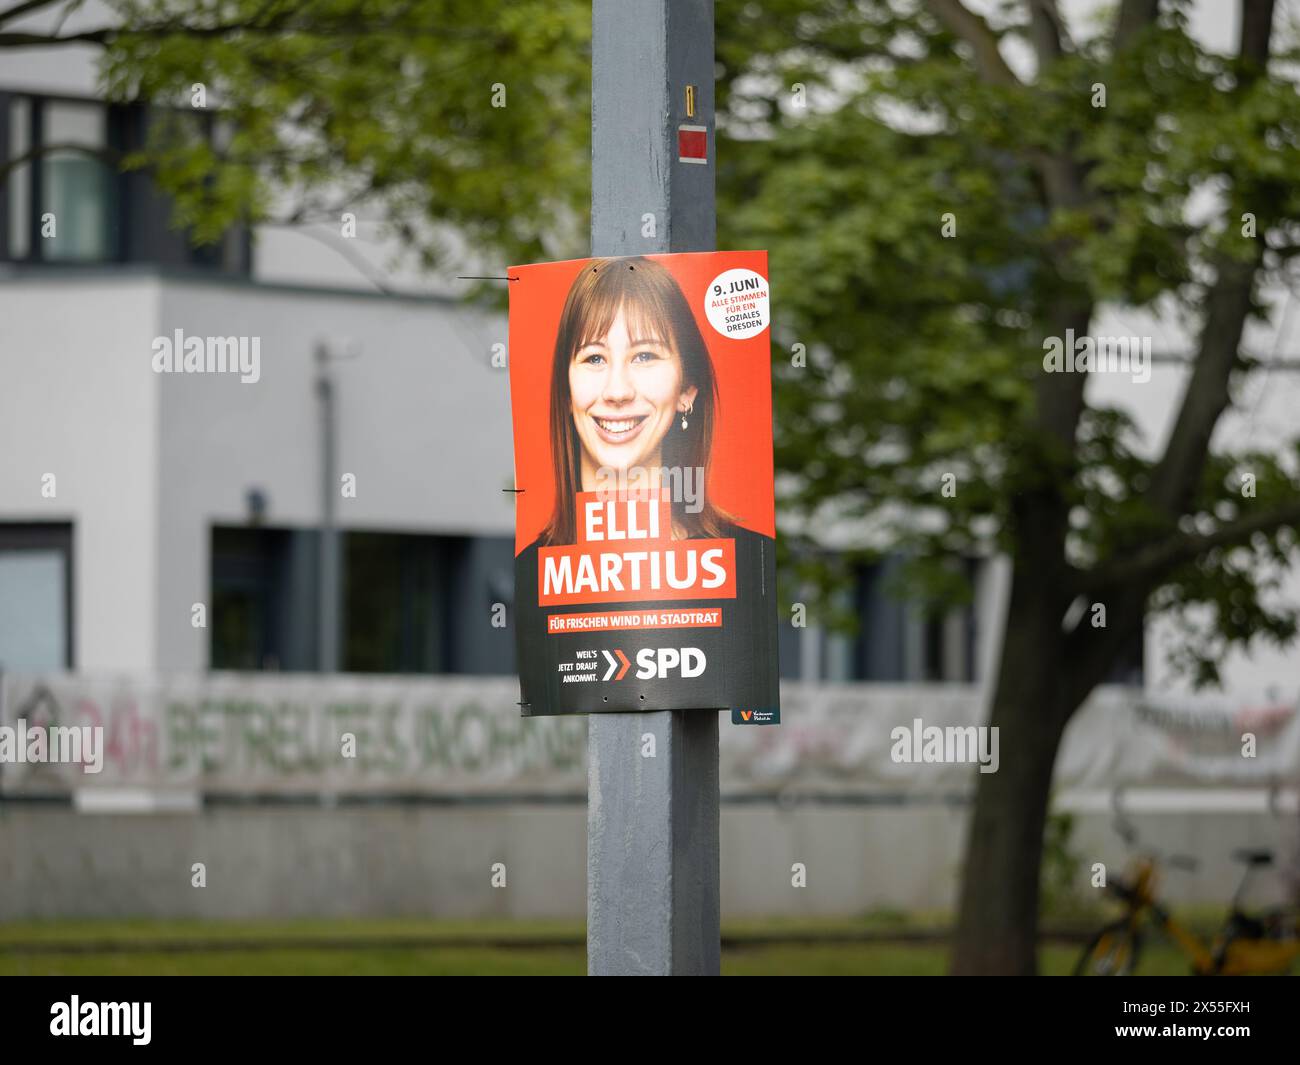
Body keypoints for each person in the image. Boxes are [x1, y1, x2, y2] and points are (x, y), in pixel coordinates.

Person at [513, 256, 778, 716]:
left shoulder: (744, 559)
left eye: (645, 355)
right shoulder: (535, 571)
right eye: (594, 357)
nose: (617, 390)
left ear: (687, 389)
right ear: (566, 386)